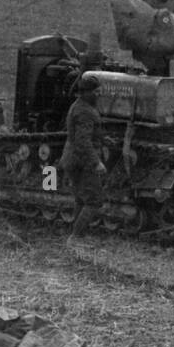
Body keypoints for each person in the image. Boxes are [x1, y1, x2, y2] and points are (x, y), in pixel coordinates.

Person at [60, 76, 108, 243]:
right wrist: (96, 162)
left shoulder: (80, 106)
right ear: (86, 92)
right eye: (96, 91)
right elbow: (82, 141)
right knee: (95, 201)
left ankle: (76, 235)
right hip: (82, 161)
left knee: (81, 199)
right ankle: (76, 238)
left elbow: (85, 136)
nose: (99, 94)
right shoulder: (85, 111)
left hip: (73, 159)